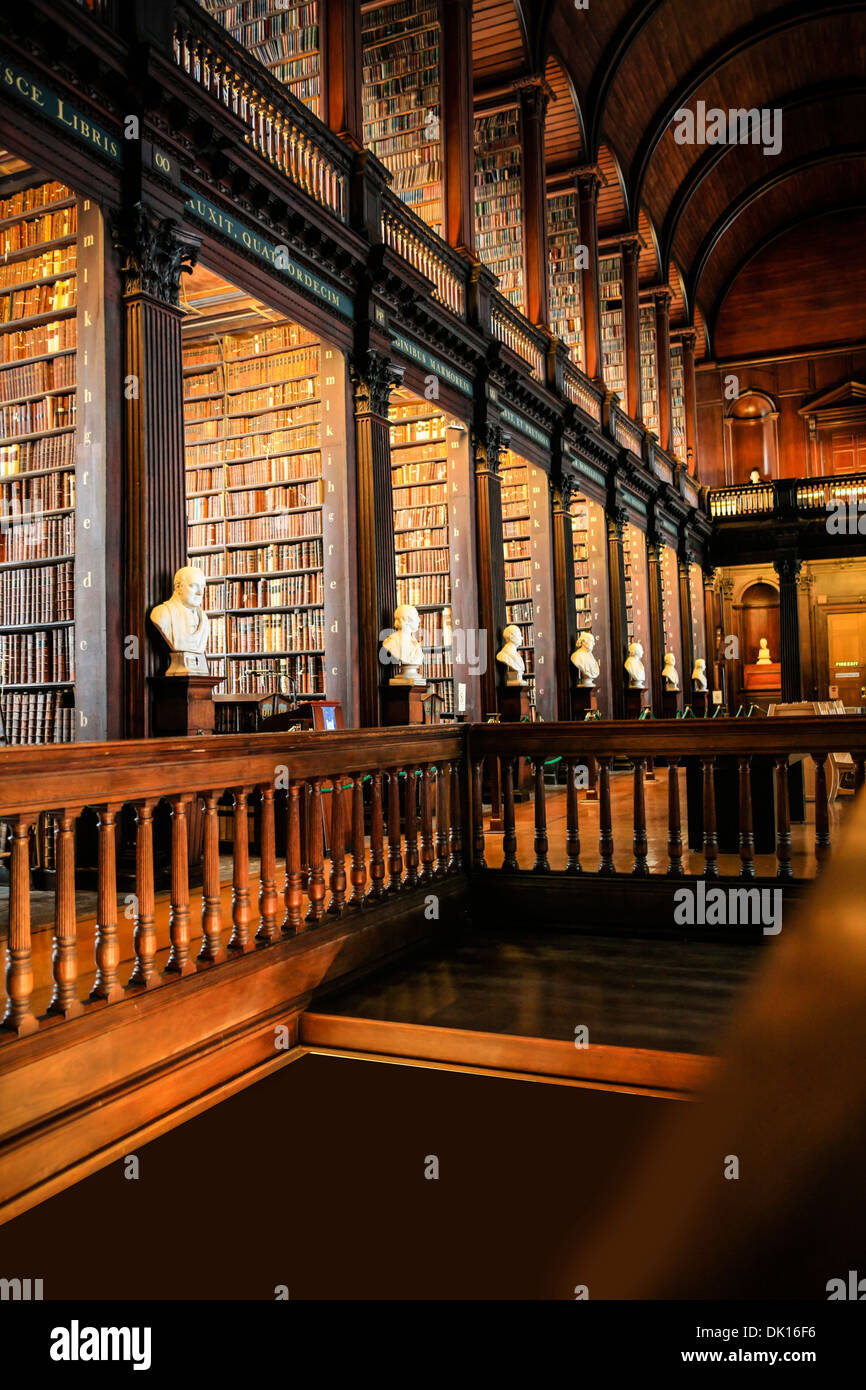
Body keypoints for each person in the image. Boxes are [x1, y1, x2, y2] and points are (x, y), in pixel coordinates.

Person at [150, 565, 210, 675]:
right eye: (194, 586)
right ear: (178, 587)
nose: (200, 592)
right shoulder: (162, 614)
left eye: (202, 587)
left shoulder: (204, 619)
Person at [380, 604, 425, 684]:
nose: (419, 620)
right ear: (406, 619)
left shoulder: (414, 642)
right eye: (416, 616)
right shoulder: (391, 642)